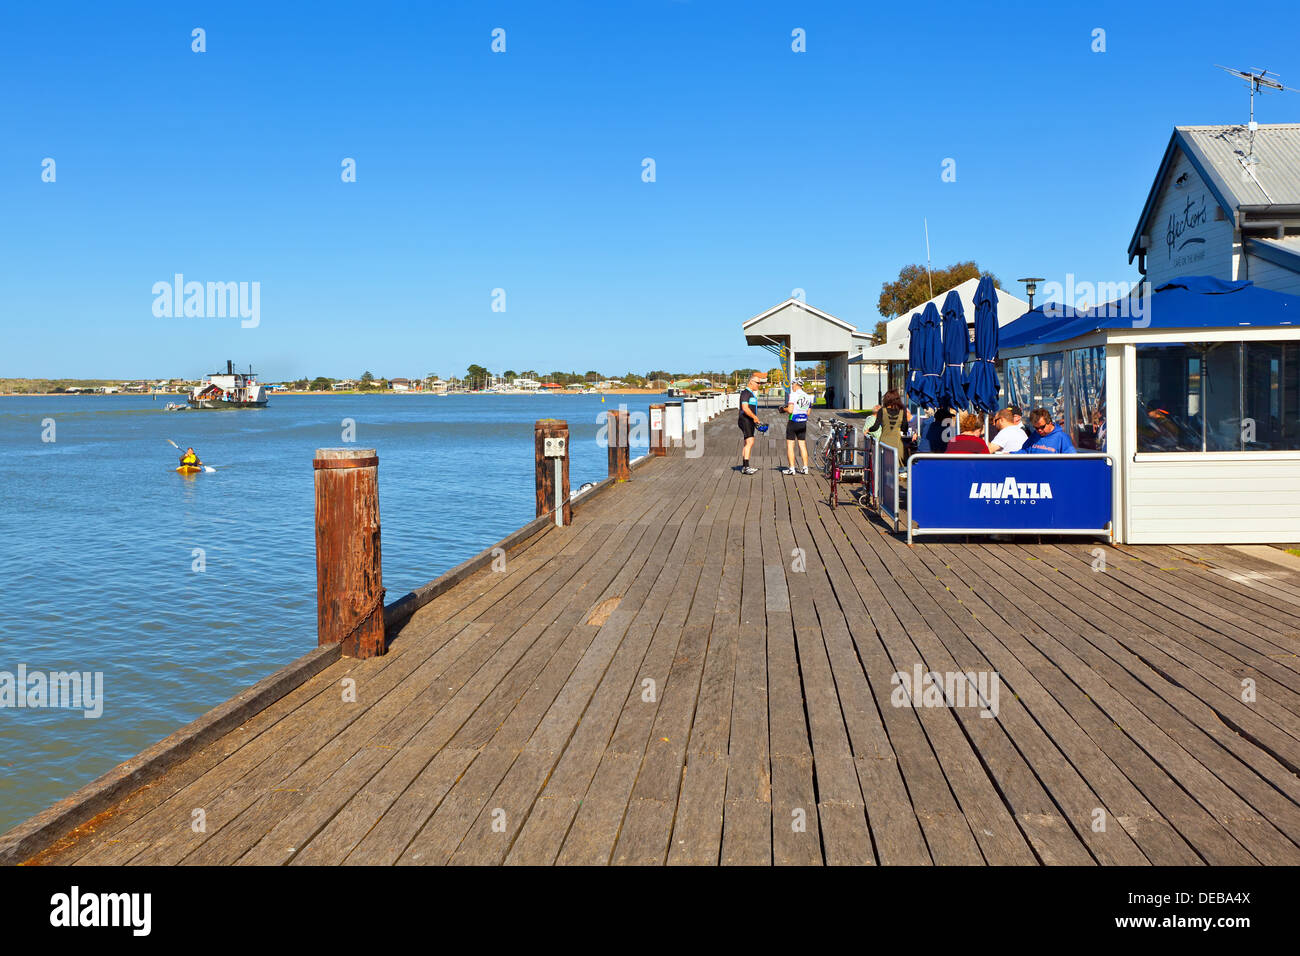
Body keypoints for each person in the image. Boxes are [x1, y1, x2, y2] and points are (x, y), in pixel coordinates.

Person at [780, 379, 814, 475]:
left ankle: (792, 469)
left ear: (795, 385)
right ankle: (805, 468)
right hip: (803, 422)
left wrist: (783, 409)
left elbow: (790, 410)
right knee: (802, 445)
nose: (791, 386)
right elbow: (808, 412)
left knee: (790, 446)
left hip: (793, 421)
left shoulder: (793, 395)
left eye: (792, 384)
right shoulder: (808, 396)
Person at [736, 371, 766, 475]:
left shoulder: (751, 394)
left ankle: (745, 466)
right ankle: (746, 467)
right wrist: (754, 417)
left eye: (760, 383)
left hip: (749, 420)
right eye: (758, 383)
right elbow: (745, 408)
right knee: (750, 442)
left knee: (747, 443)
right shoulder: (745, 393)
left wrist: (754, 418)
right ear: (751, 382)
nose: (759, 385)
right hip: (745, 420)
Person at [870, 389, 910, 456]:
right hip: (897, 443)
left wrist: (868, 430)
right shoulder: (902, 411)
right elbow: (905, 427)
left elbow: (875, 427)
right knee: (897, 464)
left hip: (884, 443)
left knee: (883, 464)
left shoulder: (882, 411)